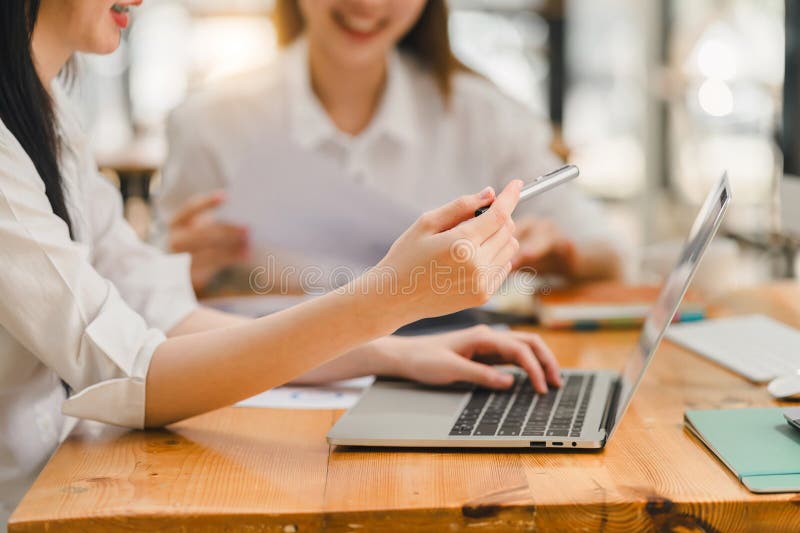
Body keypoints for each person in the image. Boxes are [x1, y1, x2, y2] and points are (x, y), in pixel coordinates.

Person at [0, 1, 563, 528]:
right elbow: (131, 376)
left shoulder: (55, 120)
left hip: (61, 489)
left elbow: (159, 314)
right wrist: (391, 297)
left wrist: (393, 351)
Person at [157, 0, 625, 293]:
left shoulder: (483, 115)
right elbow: (144, 291)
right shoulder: (212, 122)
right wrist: (178, 269)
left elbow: (612, 254)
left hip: (450, 374)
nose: (367, 3)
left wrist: (562, 254)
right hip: (266, 394)